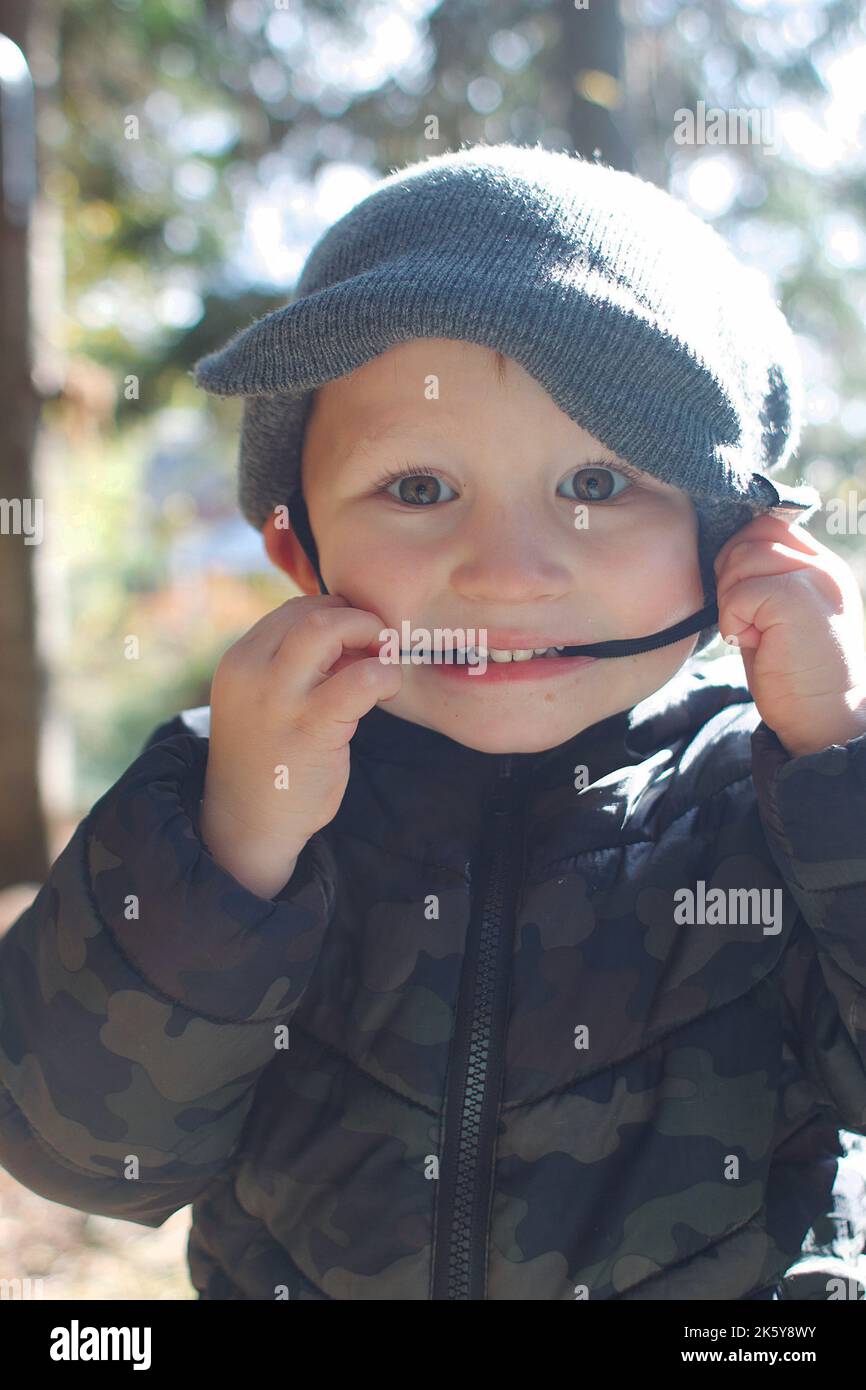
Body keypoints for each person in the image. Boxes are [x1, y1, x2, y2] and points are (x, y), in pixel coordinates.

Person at [1, 143, 865, 1301]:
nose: (507, 575)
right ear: (293, 548)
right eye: (417, 489)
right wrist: (233, 852)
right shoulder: (222, 800)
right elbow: (88, 1154)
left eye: (598, 486)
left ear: (733, 542)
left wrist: (837, 757)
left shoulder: (771, 796)